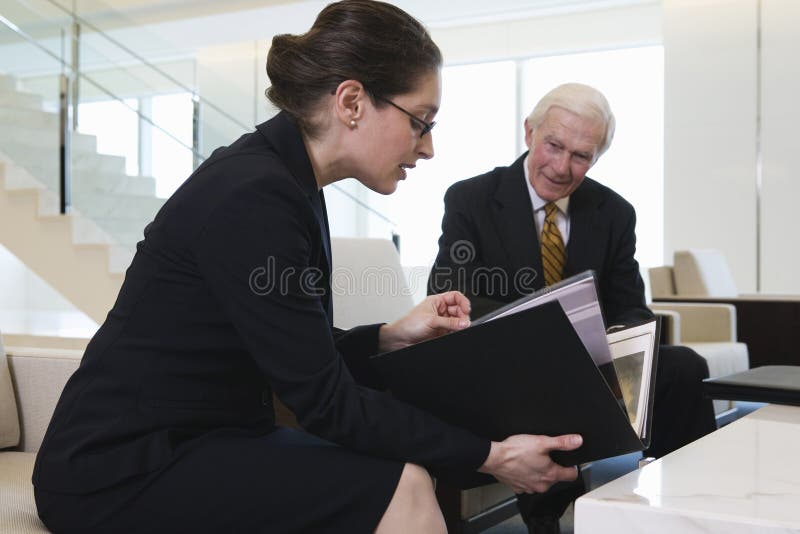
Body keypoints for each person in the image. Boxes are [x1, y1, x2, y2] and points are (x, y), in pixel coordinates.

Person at [32, 2, 587, 533]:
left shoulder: (287, 181)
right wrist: (492, 456)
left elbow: (296, 356)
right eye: (421, 122)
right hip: (121, 468)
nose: (429, 148)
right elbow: (325, 403)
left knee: (408, 480)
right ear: (351, 101)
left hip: (201, 438)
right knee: (403, 487)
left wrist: (389, 337)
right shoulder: (254, 195)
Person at [428, 82, 717, 534]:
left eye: (581, 156)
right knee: (546, 389)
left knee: (684, 367)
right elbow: (449, 292)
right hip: (507, 365)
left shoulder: (614, 212)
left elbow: (632, 308)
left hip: (590, 367)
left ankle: (686, 510)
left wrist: (611, 344)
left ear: (597, 156)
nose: (562, 167)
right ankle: (551, 508)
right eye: (554, 146)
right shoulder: (471, 198)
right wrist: (548, 331)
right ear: (529, 132)